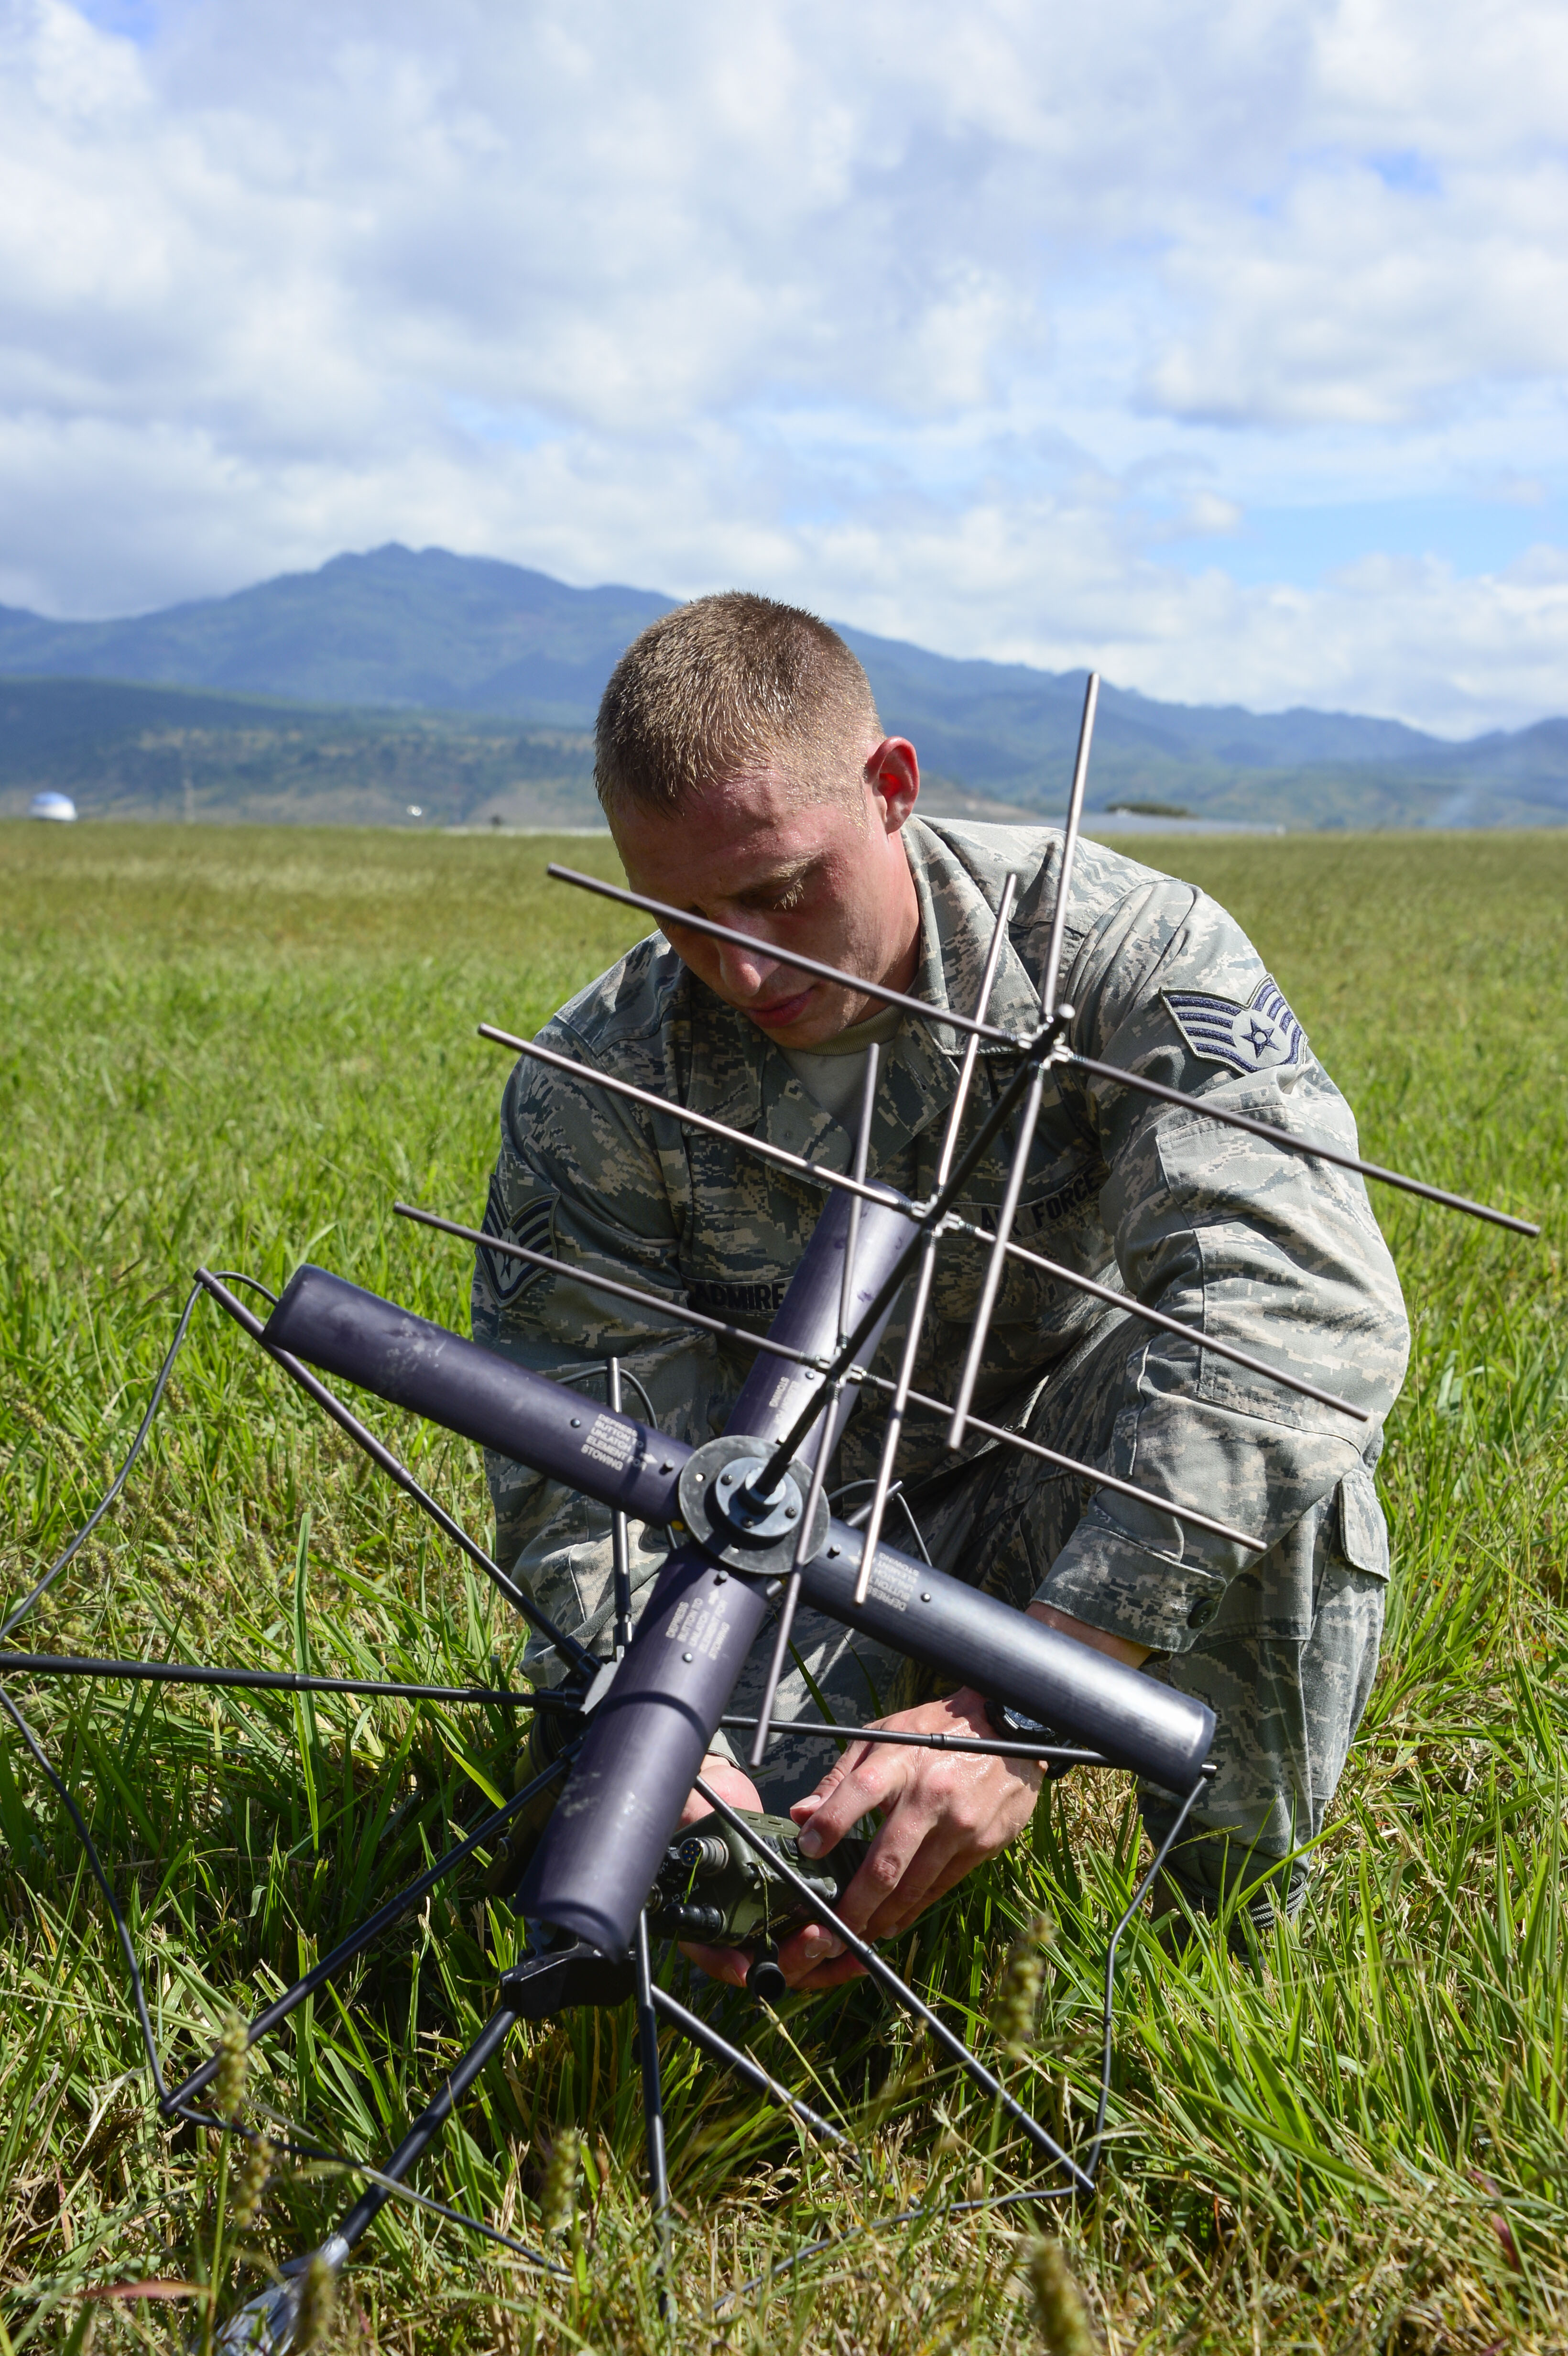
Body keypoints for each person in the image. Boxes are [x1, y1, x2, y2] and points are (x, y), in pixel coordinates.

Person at [472, 592, 1408, 1988]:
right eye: (677, 915)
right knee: (729, 1910)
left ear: (892, 789)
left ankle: (1227, 1931)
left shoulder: (1122, 956)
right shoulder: (597, 1083)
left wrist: (1029, 1699)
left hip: (1056, 1491)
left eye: (781, 891)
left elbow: (1298, 1313)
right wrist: (669, 1738)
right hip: (783, 1540)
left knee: (1286, 1463)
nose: (737, 965)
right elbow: (584, 1454)